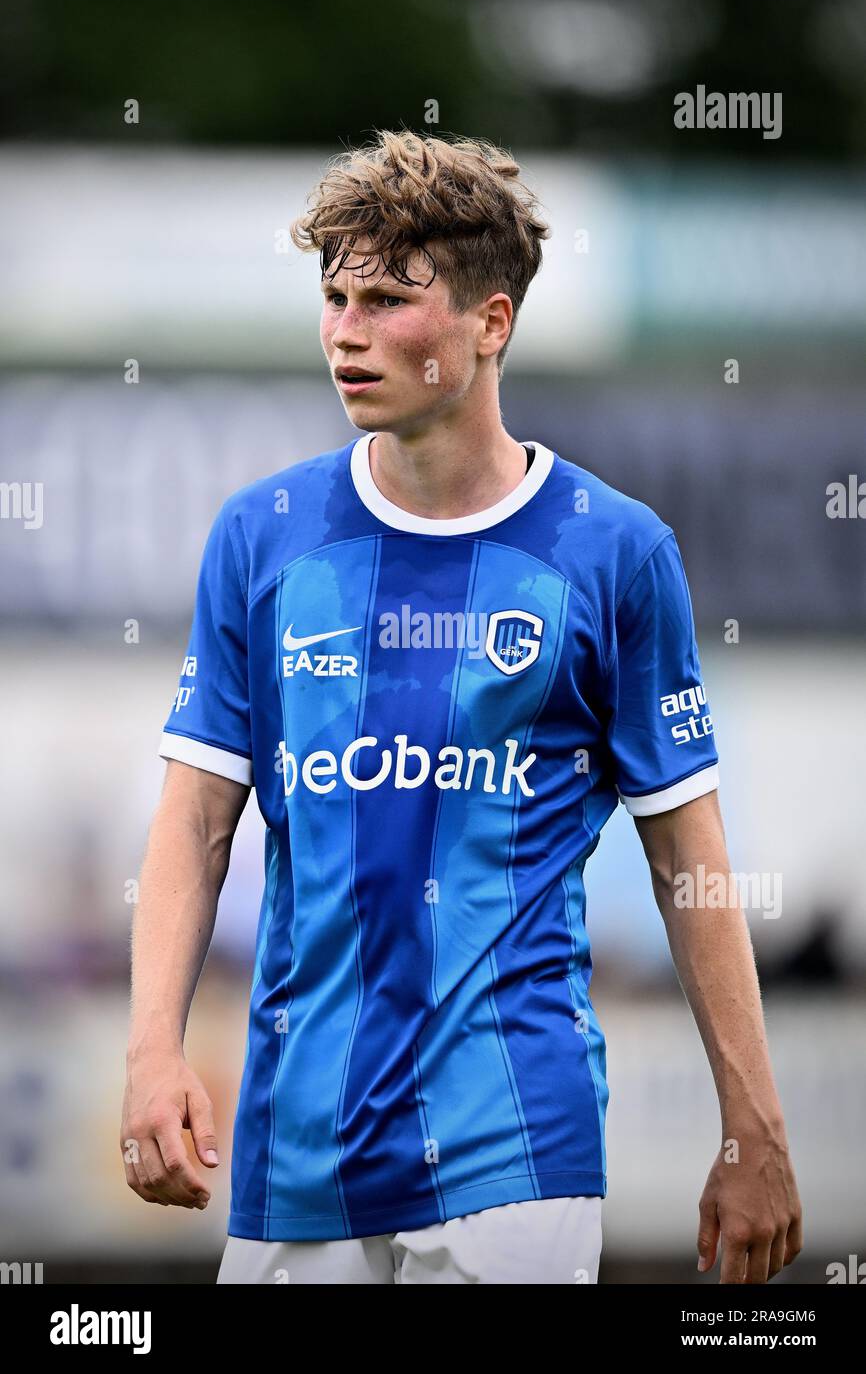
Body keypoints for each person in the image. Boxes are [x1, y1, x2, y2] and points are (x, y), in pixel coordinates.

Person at [121, 129, 802, 1285]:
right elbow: (194, 826)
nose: (346, 330)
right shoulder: (262, 536)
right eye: (334, 296)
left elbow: (688, 857)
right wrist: (151, 1052)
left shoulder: (613, 552)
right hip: (297, 1150)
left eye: (389, 299)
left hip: (515, 1148)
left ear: (491, 323)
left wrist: (755, 1131)